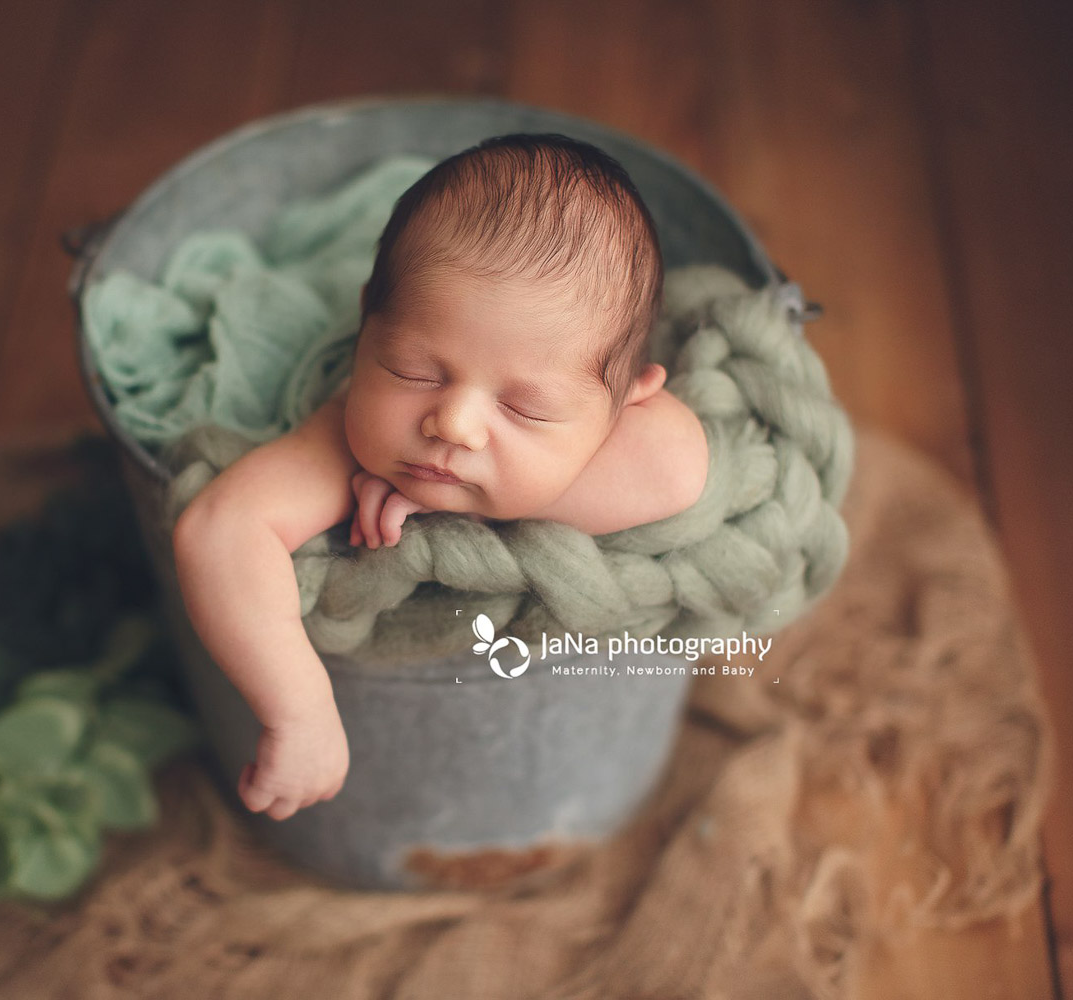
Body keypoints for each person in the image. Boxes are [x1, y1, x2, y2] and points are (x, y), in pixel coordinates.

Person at [172, 134, 709, 823]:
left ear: (628, 401)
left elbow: (678, 465)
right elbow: (219, 528)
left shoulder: (626, 428)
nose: (452, 424)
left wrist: (470, 510)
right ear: (368, 320)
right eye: (413, 371)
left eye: (522, 407)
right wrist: (299, 713)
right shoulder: (345, 434)